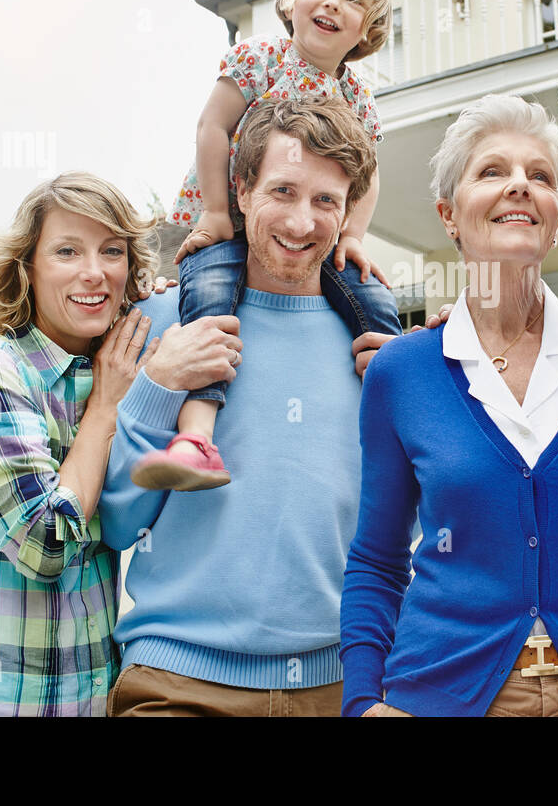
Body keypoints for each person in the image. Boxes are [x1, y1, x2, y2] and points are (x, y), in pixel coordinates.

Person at [339, 95, 558, 717]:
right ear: (450, 215)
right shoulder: (402, 372)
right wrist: (364, 702)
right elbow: (376, 558)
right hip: (436, 696)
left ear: (557, 218)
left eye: (541, 176)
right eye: (492, 171)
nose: (519, 187)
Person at [100, 95, 378, 716]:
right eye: (283, 191)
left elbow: (406, 530)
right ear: (243, 190)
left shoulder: (371, 349)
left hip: (342, 687)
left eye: (325, 201)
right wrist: (158, 387)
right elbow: (118, 525)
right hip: (177, 682)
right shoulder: (160, 325)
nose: (303, 222)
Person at [0, 173, 221, 716]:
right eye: (66, 251)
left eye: (112, 251)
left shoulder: (120, 367)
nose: (94, 272)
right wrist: (105, 408)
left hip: (92, 701)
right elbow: (45, 543)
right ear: (26, 268)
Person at [135, 0, 402, 491]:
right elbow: (213, 128)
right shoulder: (260, 59)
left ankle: (396, 418)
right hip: (232, 219)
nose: (331, 3)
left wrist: (352, 235)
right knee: (209, 302)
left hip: (313, 237)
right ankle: (198, 438)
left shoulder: (357, 96)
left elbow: (369, 175)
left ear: (367, 29)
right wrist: (215, 211)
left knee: (375, 300)